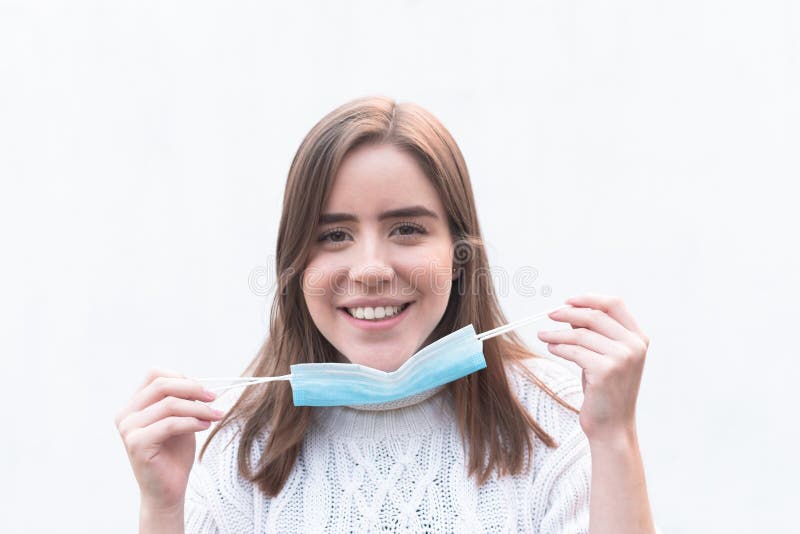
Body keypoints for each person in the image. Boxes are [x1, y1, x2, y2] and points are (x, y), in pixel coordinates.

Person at [115, 95, 660, 533]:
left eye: (407, 229)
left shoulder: (557, 419)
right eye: (334, 235)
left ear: (459, 255)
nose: (371, 269)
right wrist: (162, 509)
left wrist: (614, 437)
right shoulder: (241, 450)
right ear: (295, 265)